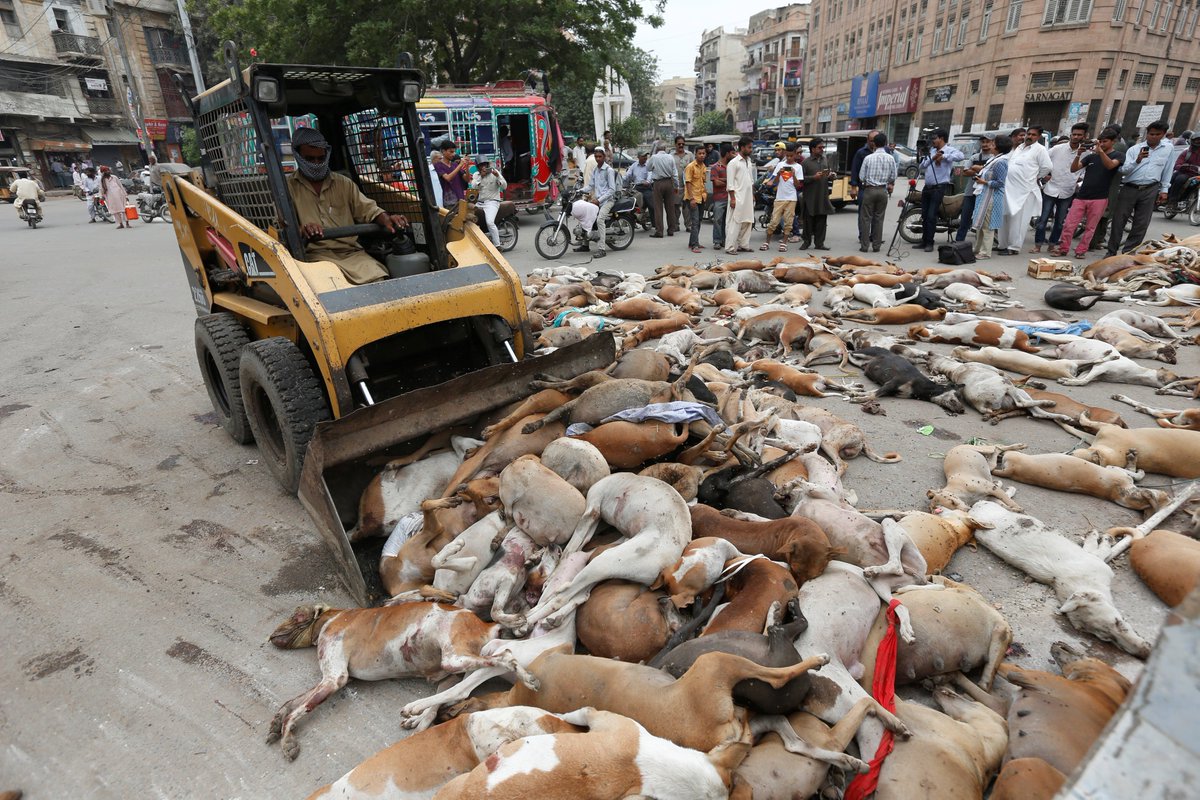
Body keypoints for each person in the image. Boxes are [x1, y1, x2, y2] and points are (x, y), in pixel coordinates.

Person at [286, 126, 409, 285]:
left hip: (351, 254)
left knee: (379, 277)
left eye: (320, 159)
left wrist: (386, 219)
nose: (316, 164)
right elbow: (282, 227)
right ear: (297, 156)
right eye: (310, 159)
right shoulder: (287, 188)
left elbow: (369, 209)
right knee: (327, 286)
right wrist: (303, 229)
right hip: (314, 257)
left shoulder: (344, 184)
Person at [1106, 120, 1174, 256]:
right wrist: (1137, 161)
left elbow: (1168, 170)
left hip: (1150, 188)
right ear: (1146, 134)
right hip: (1130, 187)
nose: (1153, 137)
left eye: (1157, 134)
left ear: (1163, 135)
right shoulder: (1134, 149)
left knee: (1141, 223)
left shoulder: (1168, 149)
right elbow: (1123, 170)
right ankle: (1111, 251)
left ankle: (1129, 252)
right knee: (1119, 220)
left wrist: (1164, 190)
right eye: (1151, 134)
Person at [1056, 129, 1123, 259]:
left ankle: (1081, 251)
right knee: (1069, 224)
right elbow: (1074, 169)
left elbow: (1110, 166)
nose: (1102, 144)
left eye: (1105, 142)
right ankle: (1063, 248)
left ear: (1113, 142)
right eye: (1100, 141)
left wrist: (1101, 152)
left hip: (1100, 197)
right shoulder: (1091, 156)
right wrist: (1078, 155)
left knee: (1090, 227)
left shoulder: (1118, 155)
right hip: (1082, 196)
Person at [1032, 123, 1087, 253]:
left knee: (1060, 221)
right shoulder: (1058, 149)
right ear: (1070, 135)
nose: (1076, 137)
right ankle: (1038, 245)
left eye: (1079, 135)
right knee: (1043, 219)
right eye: (1074, 134)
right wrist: (1044, 175)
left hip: (1068, 190)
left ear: (1085, 136)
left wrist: (1079, 178)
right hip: (1051, 188)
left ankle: (1052, 244)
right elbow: (1043, 160)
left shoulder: (1086, 153)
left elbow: (1086, 169)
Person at [999, 126, 1050, 255]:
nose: (1029, 136)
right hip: (1009, 189)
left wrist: (1035, 177)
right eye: (1028, 134)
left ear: (1038, 137)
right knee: (1005, 218)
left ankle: (1013, 247)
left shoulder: (1040, 150)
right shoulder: (1019, 148)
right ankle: (1003, 245)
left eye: (1033, 135)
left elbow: (1047, 167)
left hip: (1025, 190)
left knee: (1019, 220)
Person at [917, 129, 964, 252]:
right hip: (927, 187)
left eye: (934, 138)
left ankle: (929, 243)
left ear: (941, 138)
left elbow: (961, 156)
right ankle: (923, 240)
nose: (932, 141)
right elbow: (922, 166)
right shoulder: (931, 151)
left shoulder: (949, 150)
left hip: (939, 187)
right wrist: (932, 158)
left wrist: (944, 156)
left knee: (932, 215)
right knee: (925, 215)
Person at [972, 135, 1012, 260]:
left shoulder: (1001, 162)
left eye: (993, 144)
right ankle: (977, 249)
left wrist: (984, 182)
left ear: (998, 147)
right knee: (980, 225)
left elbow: (1000, 182)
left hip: (992, 198)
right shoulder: (994, 159)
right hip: (984, 196)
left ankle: (985, 252)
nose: (990, 146)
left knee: (987, 226)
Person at [857, 132, 896, 253]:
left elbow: (861, 176)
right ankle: (876, 246)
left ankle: (864, 246)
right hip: (882, 190)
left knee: (865, 218)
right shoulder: (890, 158)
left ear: (874, 143)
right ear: (885, 143)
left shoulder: (868, 158)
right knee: (879, 219)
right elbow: (893, 176)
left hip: (869, 190)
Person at [762, 143, 802, 252]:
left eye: (791, 156)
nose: (789, 158)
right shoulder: (780, 165)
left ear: (795, 155)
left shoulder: (798, 167)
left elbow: (798, 185)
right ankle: (767, 242)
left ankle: (784, 243)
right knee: (774, 221)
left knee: (788, 222)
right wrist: (779, 174)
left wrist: (793, 175)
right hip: (779, 198)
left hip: (791, 199)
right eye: (787, 156)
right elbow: (774, 182)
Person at [577, 146, 616, 258]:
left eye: (600, 156)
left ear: (604, 157)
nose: (598, 158)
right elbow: (590, 186)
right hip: (597, 200)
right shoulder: (595, 170)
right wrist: (579, 191)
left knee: (599, 220)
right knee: (584, 215)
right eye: (596, 156)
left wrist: (599, 200)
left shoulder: (609, 170)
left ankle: (602, 249)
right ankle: (585, 245)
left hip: (607, 200)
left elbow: (612, 190)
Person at [956, 134, 995, 242]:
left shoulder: (994, 159)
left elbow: (992, 174)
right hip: (970, 192)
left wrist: (976, 169)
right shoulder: (974, 157)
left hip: (985, 193)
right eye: (983, 142)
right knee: (965, 218)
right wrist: (983, 170)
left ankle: (980, 244)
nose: (985, 144)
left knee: (982, 219)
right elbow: (965, 172)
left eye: (988, 142)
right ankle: (959, 241)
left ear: (993, 143)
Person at [800, 137, 835, 250]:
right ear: (812, 149)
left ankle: (820, 243)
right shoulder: (805, 163)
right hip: (810, 196)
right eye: (820, 148)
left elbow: (828, 173)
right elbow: (801, 180)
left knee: (821, 220)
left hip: (822, 195)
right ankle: (806, 242)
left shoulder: (825, 160)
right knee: (808, 221)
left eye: (823, 147)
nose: (822, 150)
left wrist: (831, 176)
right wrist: (813, 177)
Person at [725, 136, 755, 255]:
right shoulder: (733, 163)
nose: (751, 150)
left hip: (747, 197)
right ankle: (730, 247)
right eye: (749, 147)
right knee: (735, 222)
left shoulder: (748, 162)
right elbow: (730, 184)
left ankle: (743, 245)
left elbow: (751, 180)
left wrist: (752, 195)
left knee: (748, 221)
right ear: (742, 147)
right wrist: (732, 198)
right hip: (737, 197)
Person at [472, 159, 508, 247]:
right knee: (470, 219)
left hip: (492, 202)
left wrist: (498, 177)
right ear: (478, 167)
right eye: (481, 165)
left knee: (490, 222)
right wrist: (481, 176)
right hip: (479, 202)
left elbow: (504, 186)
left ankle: (497, 245)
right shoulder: (476, 175)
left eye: (485, 165)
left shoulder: (495, 173)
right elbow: (473, 187)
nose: (484, 167)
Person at [648, 143, 680, 238]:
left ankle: (659, 231)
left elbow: (648, 168)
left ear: (657, 149)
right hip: (669, 183)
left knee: (658, 208)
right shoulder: (670, 157)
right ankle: (671, 229)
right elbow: (674, 172)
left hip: (658, 183)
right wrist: (676, 186)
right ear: (665, 149)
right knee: (670, 207)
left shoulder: (654, 157)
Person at [684, 146, 708, 253]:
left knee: (699, 221)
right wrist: (691, 198)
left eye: (703, 153)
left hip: (702, 197)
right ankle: (694, 245)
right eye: (700, 153)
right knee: (695, 222)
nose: (702, 155)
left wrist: (705, 194)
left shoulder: (703, 166)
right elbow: (688, 183)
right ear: (695, 154)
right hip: (693, 198)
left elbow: (703, 182)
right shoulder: (690, 166)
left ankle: (693, 242)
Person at [435, 141, 472, 207]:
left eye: (454, 152)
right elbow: (448, 178)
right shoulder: (438, 165)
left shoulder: (455, 165)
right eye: (451, 152)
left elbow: (467, 179)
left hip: (460, 199)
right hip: (449, 202)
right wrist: (460, 165)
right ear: (443, 151)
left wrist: (467, 166)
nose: (454, 154)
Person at [709, 144, 732, 251]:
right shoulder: (715, 167)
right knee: (718, 220)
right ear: (727, 154)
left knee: (727, 221)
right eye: (732, 153)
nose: (734, 155)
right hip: (719, 198)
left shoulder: (732, 166)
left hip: (730, 197)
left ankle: (724, 240)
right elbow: (716, 183)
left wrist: (722, 179)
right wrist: (728, 180)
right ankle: (717, 241)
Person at [1167, 132, 1200, 203]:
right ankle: (1172, 200)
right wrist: (1183, 166)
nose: (1198, 142)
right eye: (1197, 140)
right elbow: (1177, 164)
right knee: (1179, 179)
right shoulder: (1186, 152)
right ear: (1192, 140)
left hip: (1198, 175)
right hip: (1186, 173)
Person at [848, 129, 880, 198]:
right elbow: (855, 170)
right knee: (863, 208)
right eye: (872, 141)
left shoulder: (885, 152)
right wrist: (853, 188)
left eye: (876, 141)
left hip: (880, 188)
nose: (874, 143)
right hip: (865, 188)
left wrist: (891, 184)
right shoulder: (861, 153)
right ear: (867, 140)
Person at [624, 150, 653, 219]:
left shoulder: (648, 165)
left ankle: (654, 223)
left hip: (646, 188)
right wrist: (619, 179)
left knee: (651, 204)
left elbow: (650, 174)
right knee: (628, 201)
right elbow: (627, 175)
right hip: (636, 187)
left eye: (646, 156)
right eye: (643, 156)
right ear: (638, 157)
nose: (645, 157)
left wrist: (648, 181)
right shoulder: (634, 165)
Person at [671, 136, 691, 232]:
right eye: (679, 144)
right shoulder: (670, 156)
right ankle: (675, 225)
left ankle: (689, 225)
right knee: (675, 206)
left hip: (688, 185)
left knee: (687, 207)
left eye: (683, 143)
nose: (681, 145)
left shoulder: (689, 155)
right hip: (676, 186)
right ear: (675, 144)